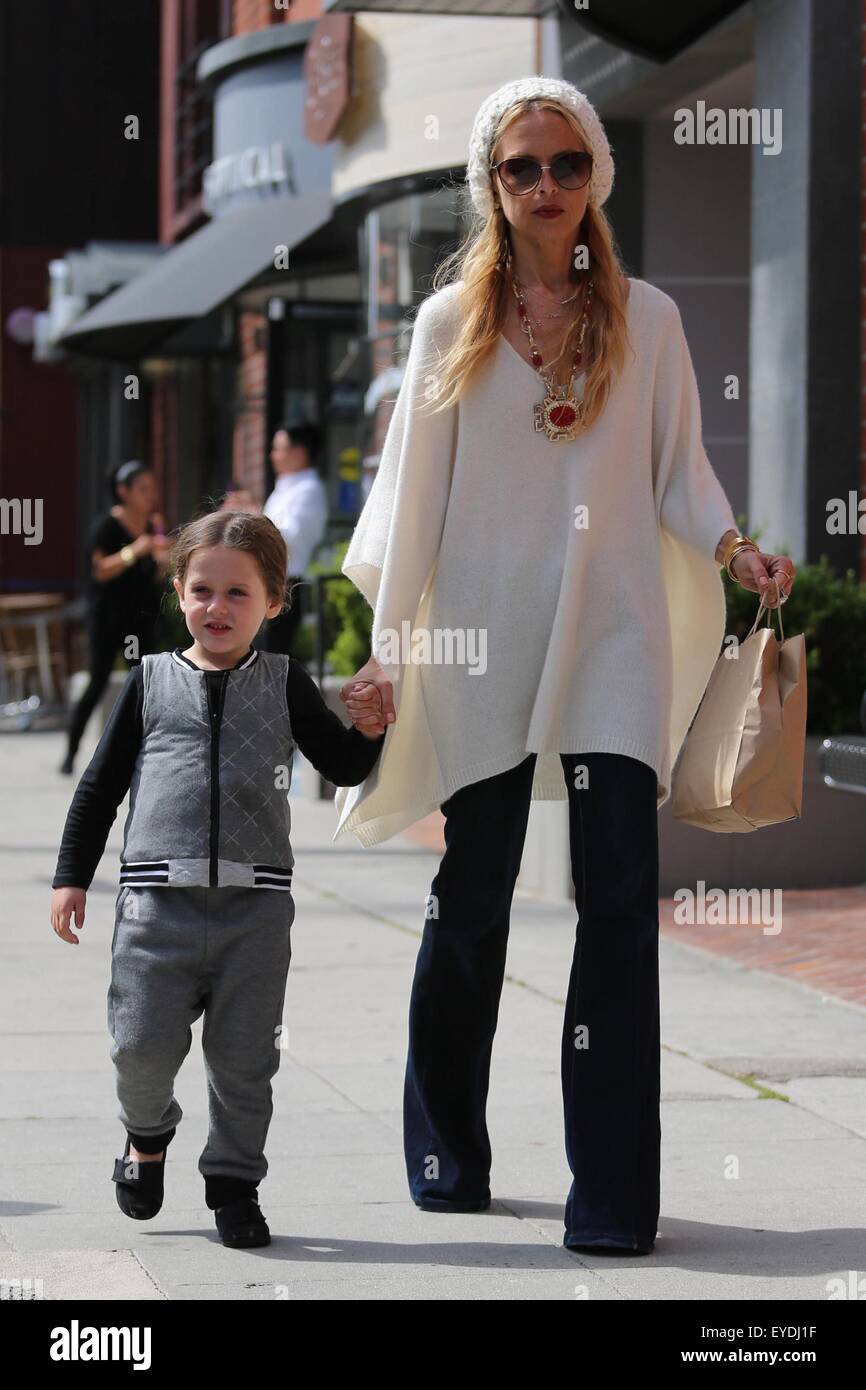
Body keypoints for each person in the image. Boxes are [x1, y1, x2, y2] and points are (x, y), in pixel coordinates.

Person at [334, 77, 797, 1255]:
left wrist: (735, 549)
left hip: (612, 640)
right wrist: (389, 653)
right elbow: (414, 500)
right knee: (471, 899)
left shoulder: (648, 319)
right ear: (489, 186)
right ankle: (446, 1148)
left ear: (595, 172)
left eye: (565, 165)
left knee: (618, 908)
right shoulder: (450, 323)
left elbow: (678, 475)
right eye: (518, 169)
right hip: (480, 638)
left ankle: (611, 1198)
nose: (544, 188)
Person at [49, 511, 385, 1249]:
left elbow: (344, 767)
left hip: (254, 913)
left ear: (273, 601)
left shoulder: (287, 684)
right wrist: (71, 876)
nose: (217, 607)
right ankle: (146, 1138)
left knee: (244, 1064)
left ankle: (234, 1186)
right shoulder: (150, 682)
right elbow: (99, 789)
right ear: (178, 592)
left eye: (239, 593)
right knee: (138, 1047)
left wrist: (368, 728)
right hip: (153, 912)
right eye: (202, 590)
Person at [60, 460, 171, 775]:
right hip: (108, 619)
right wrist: (134, 551)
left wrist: (161, 559)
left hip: (140, 618)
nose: (151, 495)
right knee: (98, 681)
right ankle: (71, 750)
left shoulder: (152, 526)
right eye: (143, 488)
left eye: (153, 488)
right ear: (124, 492)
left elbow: (151, 576)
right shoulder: (107, 527)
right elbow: (101, 570)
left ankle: (148, 752)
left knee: (147, 680)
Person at [260, 423, 329, 657]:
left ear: (299, 453)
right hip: (272, 579)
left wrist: (252, 515)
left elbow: (290, 536)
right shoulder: (286, 487)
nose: (273, 456)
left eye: (279, 449)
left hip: (288, 582)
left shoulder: (309, 489)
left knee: (274, 656)